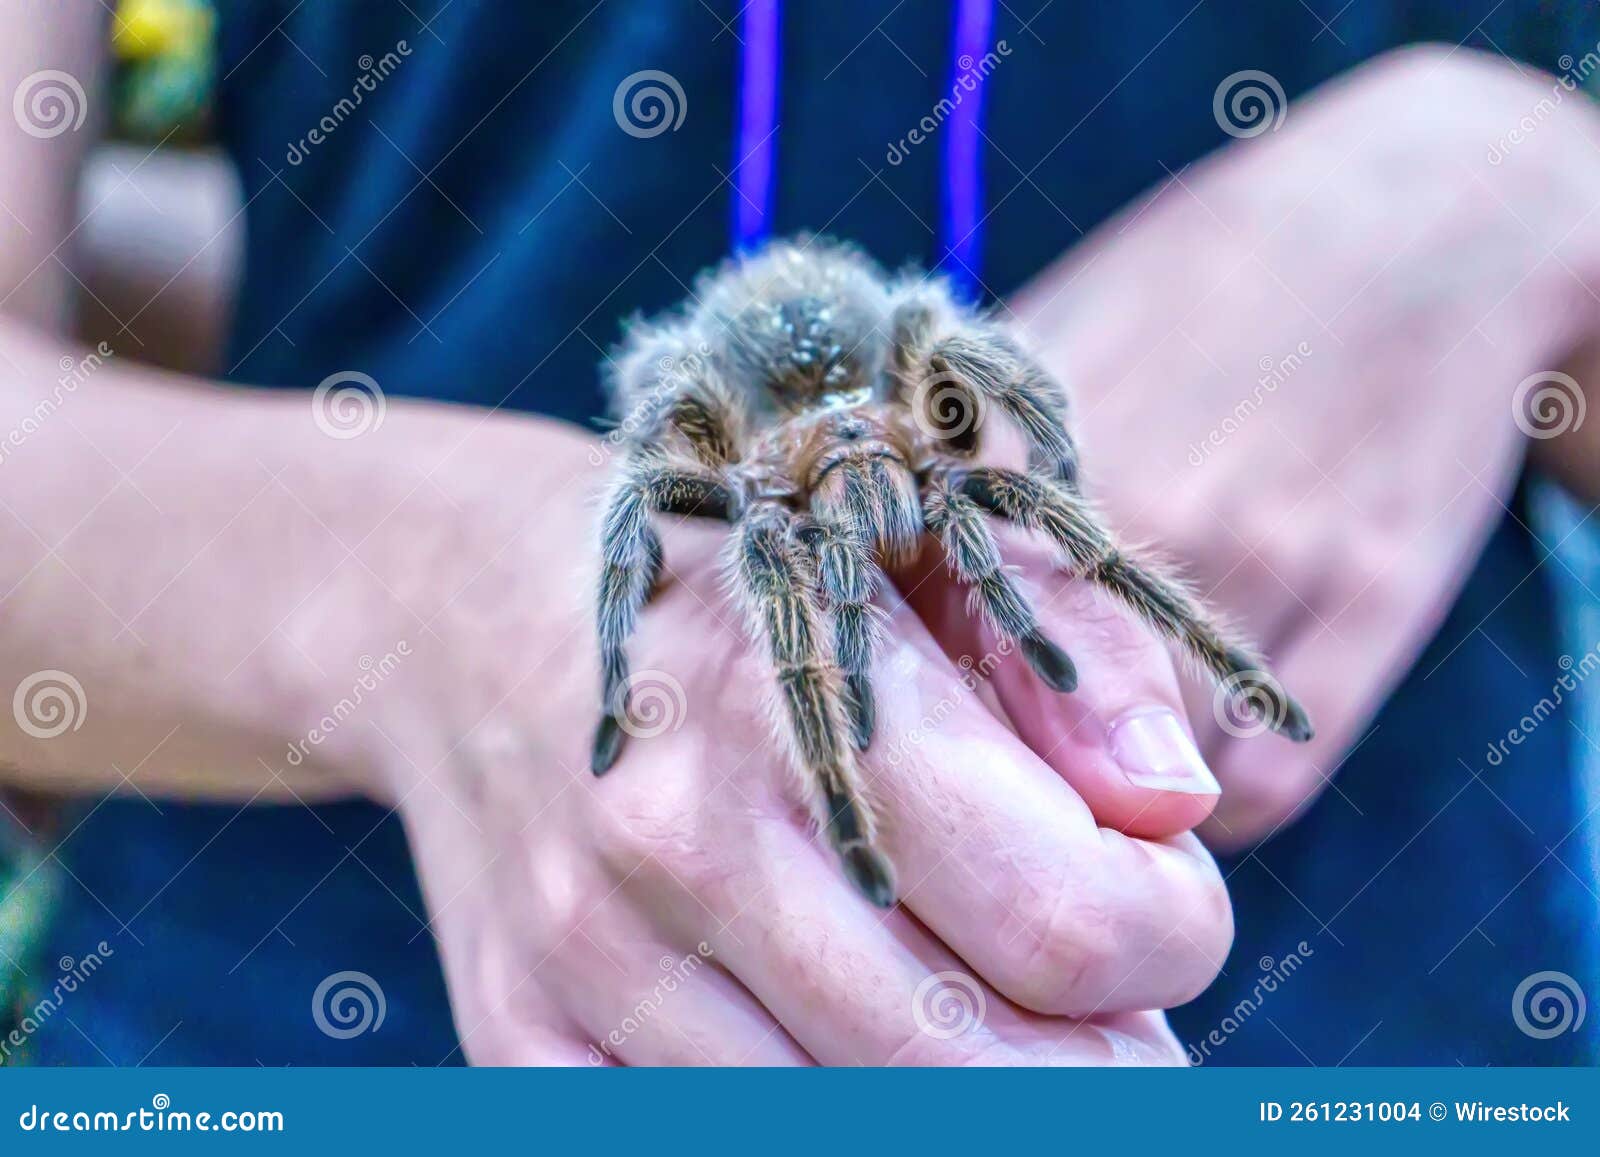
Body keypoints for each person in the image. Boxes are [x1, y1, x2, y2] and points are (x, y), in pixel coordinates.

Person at [1, 1, 1595, 1065]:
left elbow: (999, 463)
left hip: (1384, 1014)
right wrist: (461, 596)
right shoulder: (722, 452)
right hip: (313, 1030)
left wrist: (1526, 187)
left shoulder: (933, 414)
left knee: (998, 525)